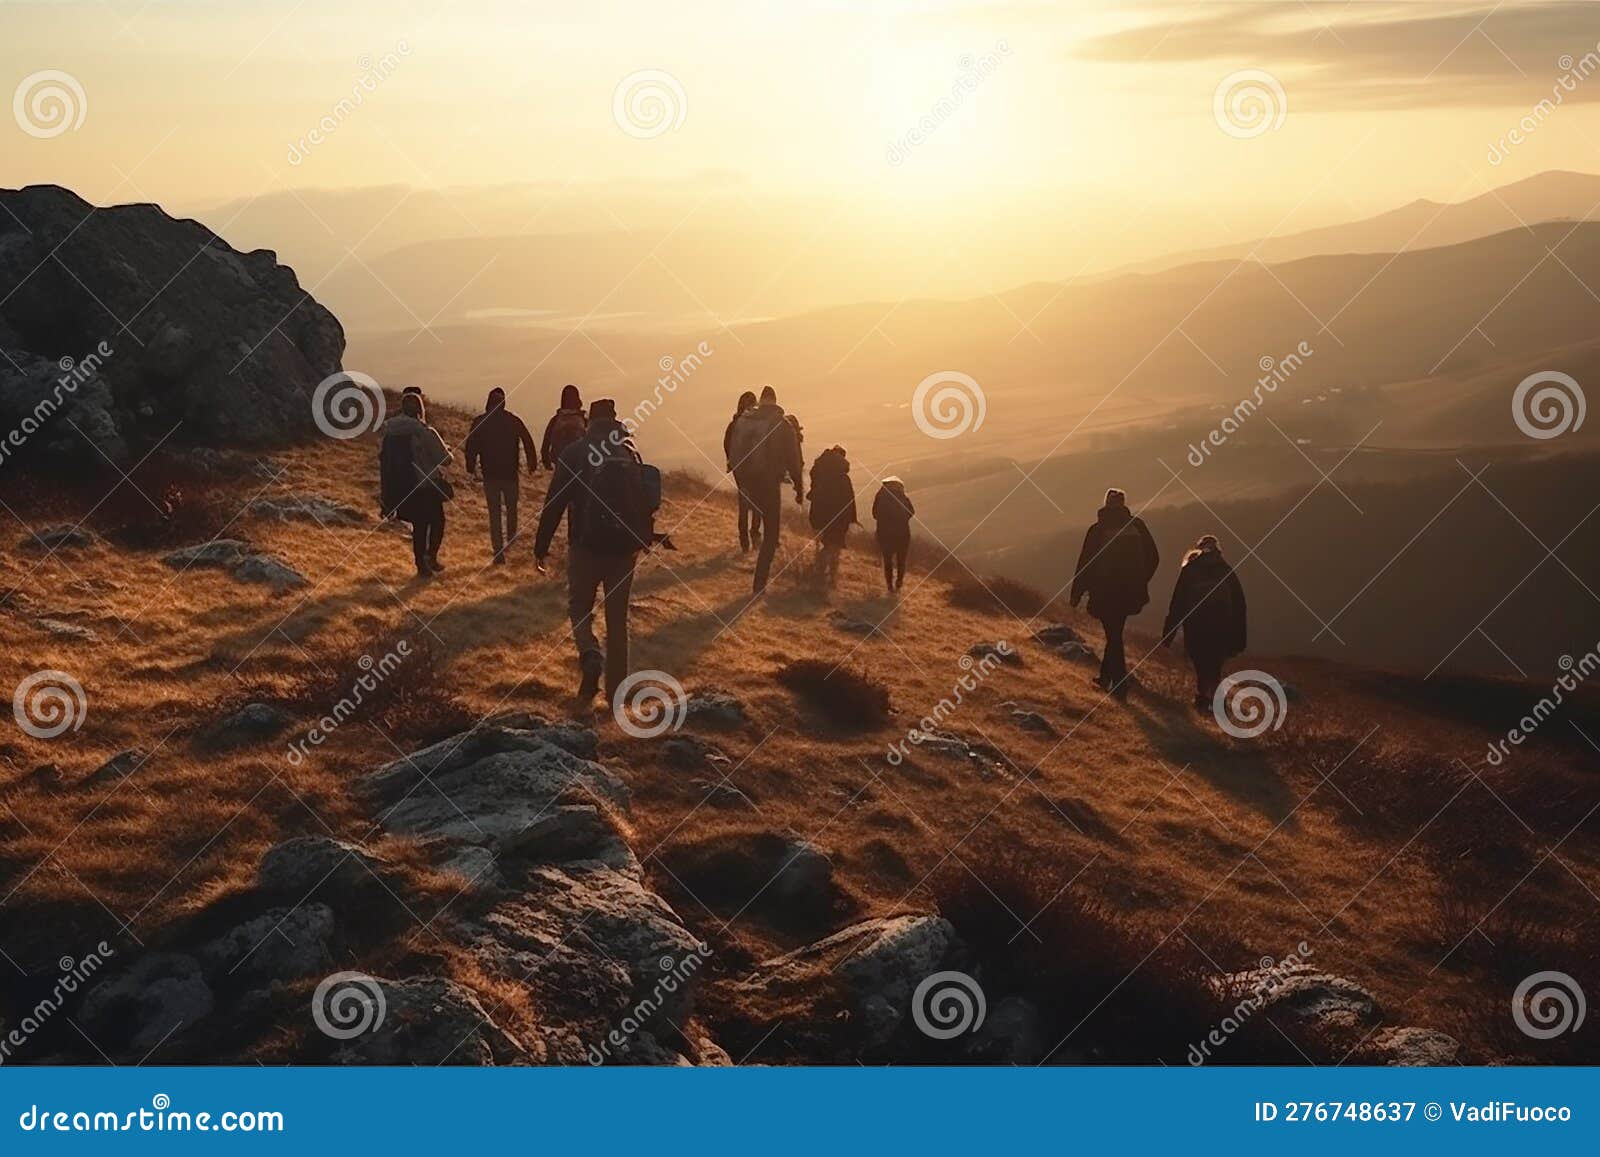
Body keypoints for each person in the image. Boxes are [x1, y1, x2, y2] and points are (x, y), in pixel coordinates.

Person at [534, 399, 655, 707]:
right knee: (618, 621)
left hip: (585, 546)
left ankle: (589, 654)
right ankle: (617, 697)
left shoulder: (575, 452)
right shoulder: (629, 451)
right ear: (615, 420)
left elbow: (555, 503)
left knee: (579, 610)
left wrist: (541, 546)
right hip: (624, 552)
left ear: (591, 421)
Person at [1070, 488, 1159, 697]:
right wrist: (1140, 580)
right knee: (1115, 632)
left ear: (1106, 504)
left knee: (1114, 635)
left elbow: (1085, 563)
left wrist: (1077, 593)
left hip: (1105, 592)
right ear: (1124, 503)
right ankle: (1106, 677)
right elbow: (1154, 557)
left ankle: (1119, 683)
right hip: (1130, 592)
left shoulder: (1098, 529)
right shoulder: (1137, 526)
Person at [726, 385, 804, 594]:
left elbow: (732, 448)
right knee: (771, 532)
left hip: (745, 478)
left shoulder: (744, 421)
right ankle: (759, 583)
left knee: (748, 512)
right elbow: (794, 461)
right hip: (768, 482)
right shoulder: (782, 424)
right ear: (775, 401)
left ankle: (747, 545)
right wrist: (799, 487)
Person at [1162, 535, 1247, 709]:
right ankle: (1216, 700)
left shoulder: (1190, 570)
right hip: (1221, 626)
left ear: (1199, 549)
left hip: (1196, 625)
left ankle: (1202, 698)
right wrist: (1240, 638)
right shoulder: (1227, 571)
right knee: (1215, 664)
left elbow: (1178, 602)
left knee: (1200, 662)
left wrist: (1168, 632)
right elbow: (1239, 606)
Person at [379, 388, 454, 577]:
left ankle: (421, 564)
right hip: (426, 485)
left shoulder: (391, 432)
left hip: (404, 486)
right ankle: (431, 557)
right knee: (437, 522)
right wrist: (447, 449)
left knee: (419, 526)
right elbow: (445, 459)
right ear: (420, 410)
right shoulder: (425, 431)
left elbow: (385, 461)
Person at [464, 386, 538, 565]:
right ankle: (511, 539)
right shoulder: (513, 420)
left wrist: (470, 466)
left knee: (495, 513)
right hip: (510, 473)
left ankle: (498, 550)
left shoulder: (480, 422)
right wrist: (531, 463)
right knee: (511, 508)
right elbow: (527, 441)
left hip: (491, 475)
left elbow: (471, 446)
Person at [807, 445, 856, 585]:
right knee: (833, 546)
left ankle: (819, 573)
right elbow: (849, 500)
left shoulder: (818, 472)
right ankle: (831, 578)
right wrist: (851, 519)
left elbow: (814, 492)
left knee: (826, 543)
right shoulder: (843, 478)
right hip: (837, 518)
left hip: (818, 514)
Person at [723, 390, 763, 551]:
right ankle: (750, 537)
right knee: (752, 504)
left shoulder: (735, 424)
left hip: (743, 469)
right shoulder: (757, 423)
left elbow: (726, 444)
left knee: (748, 504)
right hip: (750, 469)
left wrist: (732, 462)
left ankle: (747, 538)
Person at [872, 475, 914, 593]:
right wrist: (902, 520)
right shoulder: (903, 497)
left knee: (887, 560)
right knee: (901, 560)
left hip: (885, 533)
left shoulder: (880, 497)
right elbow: (911, 512)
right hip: (903, 533)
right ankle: (899, 582)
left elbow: (874, 514)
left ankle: (889, 585)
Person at [541, 384, 587, 471]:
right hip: (580, 467)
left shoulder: (555, 420)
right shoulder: (584, 420)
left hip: (560, 466)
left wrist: (547, 463)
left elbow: (545, 446)